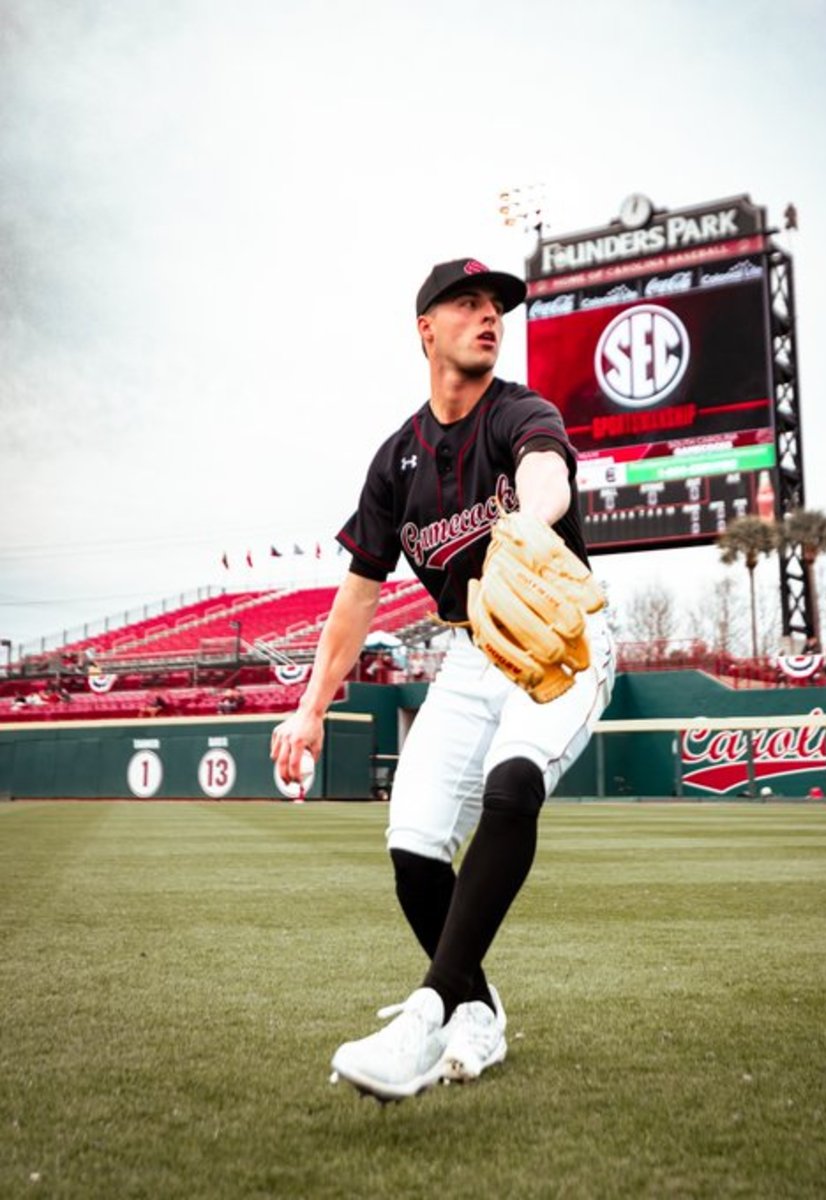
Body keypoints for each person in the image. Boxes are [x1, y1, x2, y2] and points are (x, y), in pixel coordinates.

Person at [270, 257, 614, 1102]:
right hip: (471, 651)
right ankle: (477, 1008)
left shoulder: (520, 412)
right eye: (466, 303)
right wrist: (311, 707)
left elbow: (546, 473)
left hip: (561, 636)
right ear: (426, 329)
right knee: (413, 845)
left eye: (496, 305)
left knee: (510, 788)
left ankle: (426, 1013)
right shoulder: (396, 463)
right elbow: (355, 600)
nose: (488, 316)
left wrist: (530, 525)